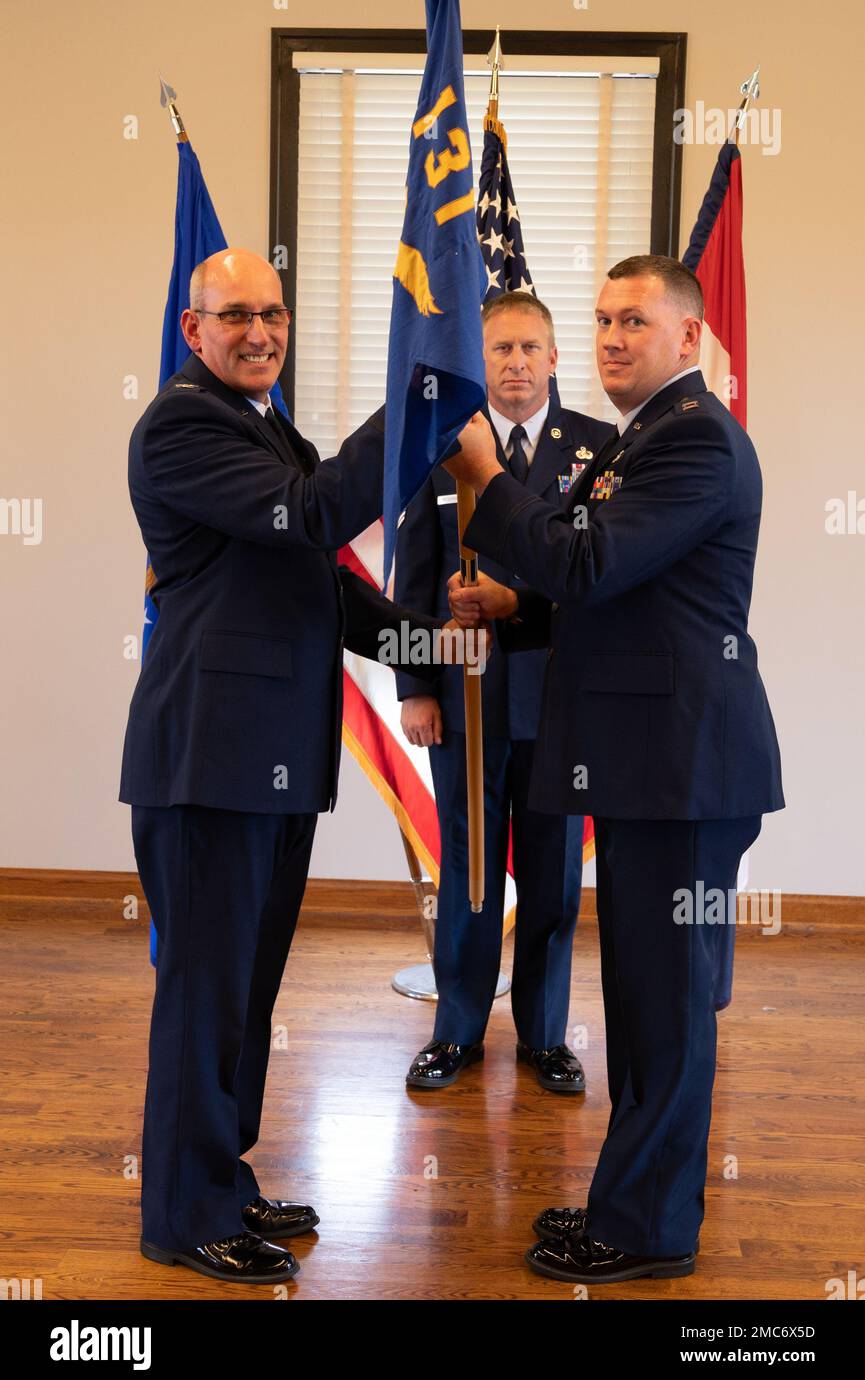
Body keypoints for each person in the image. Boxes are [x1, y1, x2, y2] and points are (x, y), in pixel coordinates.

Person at [120, 248, 483, 1285]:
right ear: (194, 331)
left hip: (269, 764)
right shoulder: (183, 424)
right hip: (207, 762)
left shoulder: (265, 428)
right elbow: (322, 514)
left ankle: (221, 1180)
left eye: (273, 313)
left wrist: (431, 645)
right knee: (204, 993)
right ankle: (184, 1213)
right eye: (235, 315)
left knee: (243, 991)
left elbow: (319, 587)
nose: (260, 332)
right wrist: (421, 392)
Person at [445, 254, 784, 1284]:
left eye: (634, 321)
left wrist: (485, 481)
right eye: (599, 320)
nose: (610, 338)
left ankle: (648, 1230)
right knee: (640, 1001)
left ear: (688, 338)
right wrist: (522, 606)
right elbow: (614, 585)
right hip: (648, 765)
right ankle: (624, 1198)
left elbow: (589, 558)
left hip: (684, 768)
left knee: (668, 1009)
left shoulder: (693, 442)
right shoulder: (643, 439)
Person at [395, 292, 613, 1093]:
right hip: (465, 708)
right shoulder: (444, 448)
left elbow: (600, 579)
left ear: (555, 358)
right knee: (470, 871)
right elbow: (412, 578)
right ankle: (456, 1030)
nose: (515, 362)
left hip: (558, 702)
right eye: (499, 350)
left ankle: (545, 1036)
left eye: (529, 347)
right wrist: (415, 687)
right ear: (476, 362)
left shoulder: (599, 451)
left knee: (554, 875)